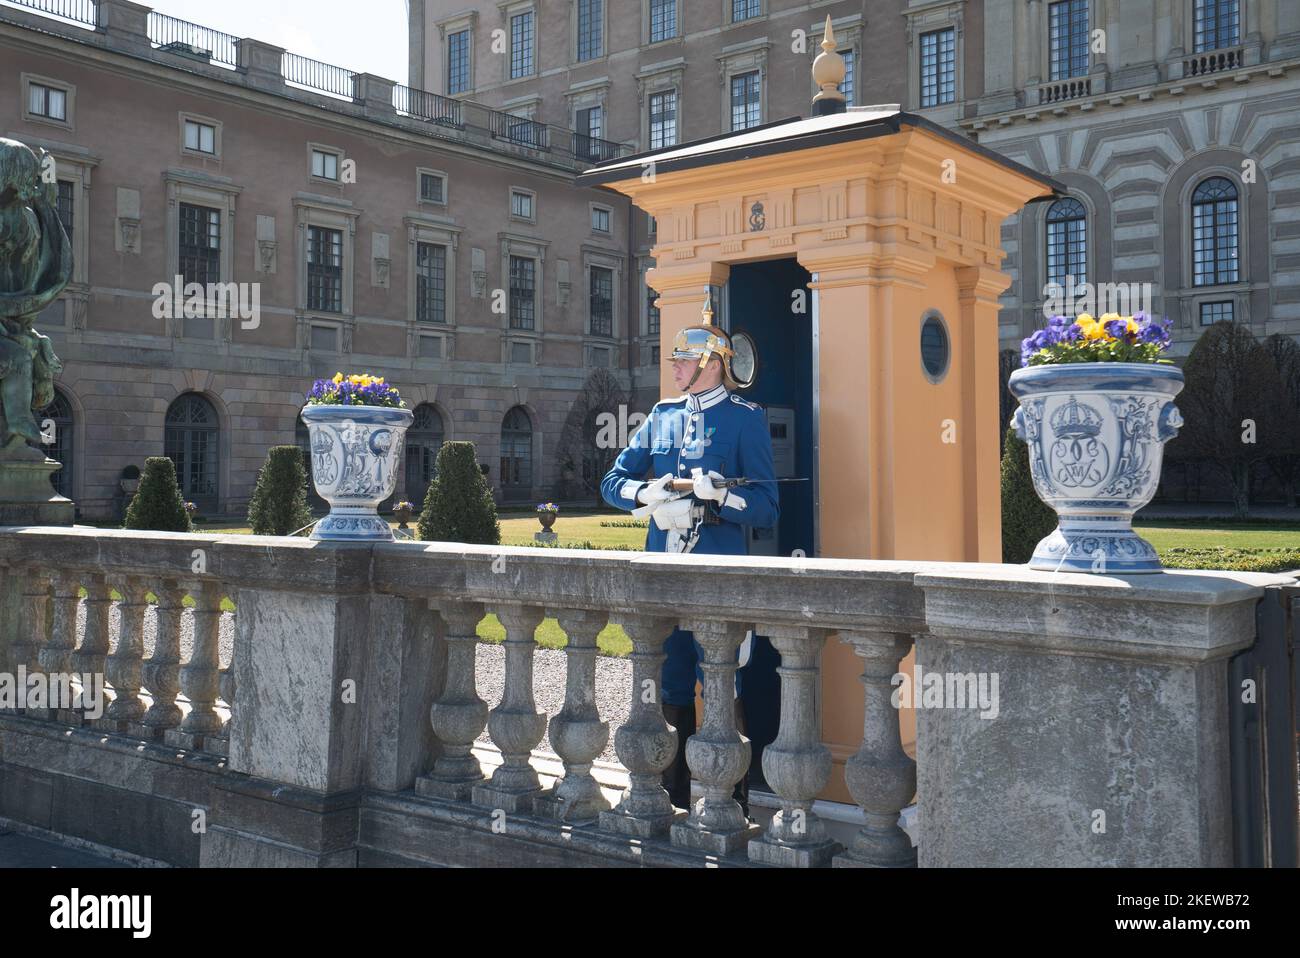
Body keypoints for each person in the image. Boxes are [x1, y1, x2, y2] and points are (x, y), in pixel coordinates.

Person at [600, 301, 778, 815]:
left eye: (683, 360)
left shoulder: (746, 420)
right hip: (662, 573)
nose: (674, 367)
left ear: (713, 365)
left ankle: (731, 803)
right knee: (670, 680)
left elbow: (766, 507)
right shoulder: (662, 416)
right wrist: (643, 494)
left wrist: (720, 496)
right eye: (674, 359)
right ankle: (671, 799)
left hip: (718, 572)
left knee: (723, 678)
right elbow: (612, 482)